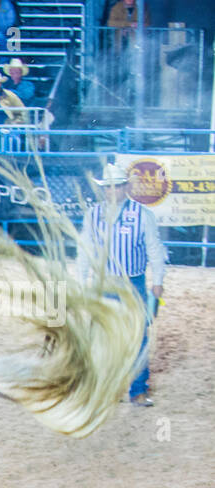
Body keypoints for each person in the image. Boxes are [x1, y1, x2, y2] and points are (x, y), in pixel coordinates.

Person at [76, 162, 165, 407]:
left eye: (116, 187)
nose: (111, 191)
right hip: (103, 283)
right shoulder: (93, 214)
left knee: (138, 338)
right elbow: (84, 251)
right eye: (107, 187)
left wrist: (157, 283)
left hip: (133, 283)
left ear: (126, 188)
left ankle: (137, 390)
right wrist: (81, 282)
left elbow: (155, 251)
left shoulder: (143, 215)